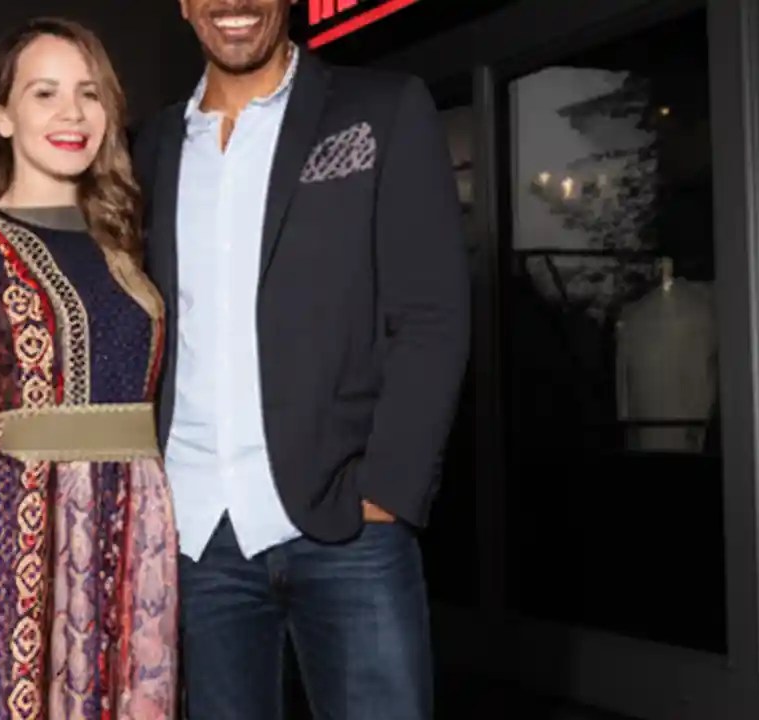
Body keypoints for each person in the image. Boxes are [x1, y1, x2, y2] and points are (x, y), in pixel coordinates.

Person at [132, 1, 470, 718]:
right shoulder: (149, 149)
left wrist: (389, 491)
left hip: (349, 525)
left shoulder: (382, 108)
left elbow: (432, 313)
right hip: (197, 537)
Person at [0, 17, 177, 720]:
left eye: (89, 94)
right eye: (44, 92)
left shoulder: (132, 249)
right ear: (0, 115)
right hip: (12, 549)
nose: (72, 114)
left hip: (136, 548)